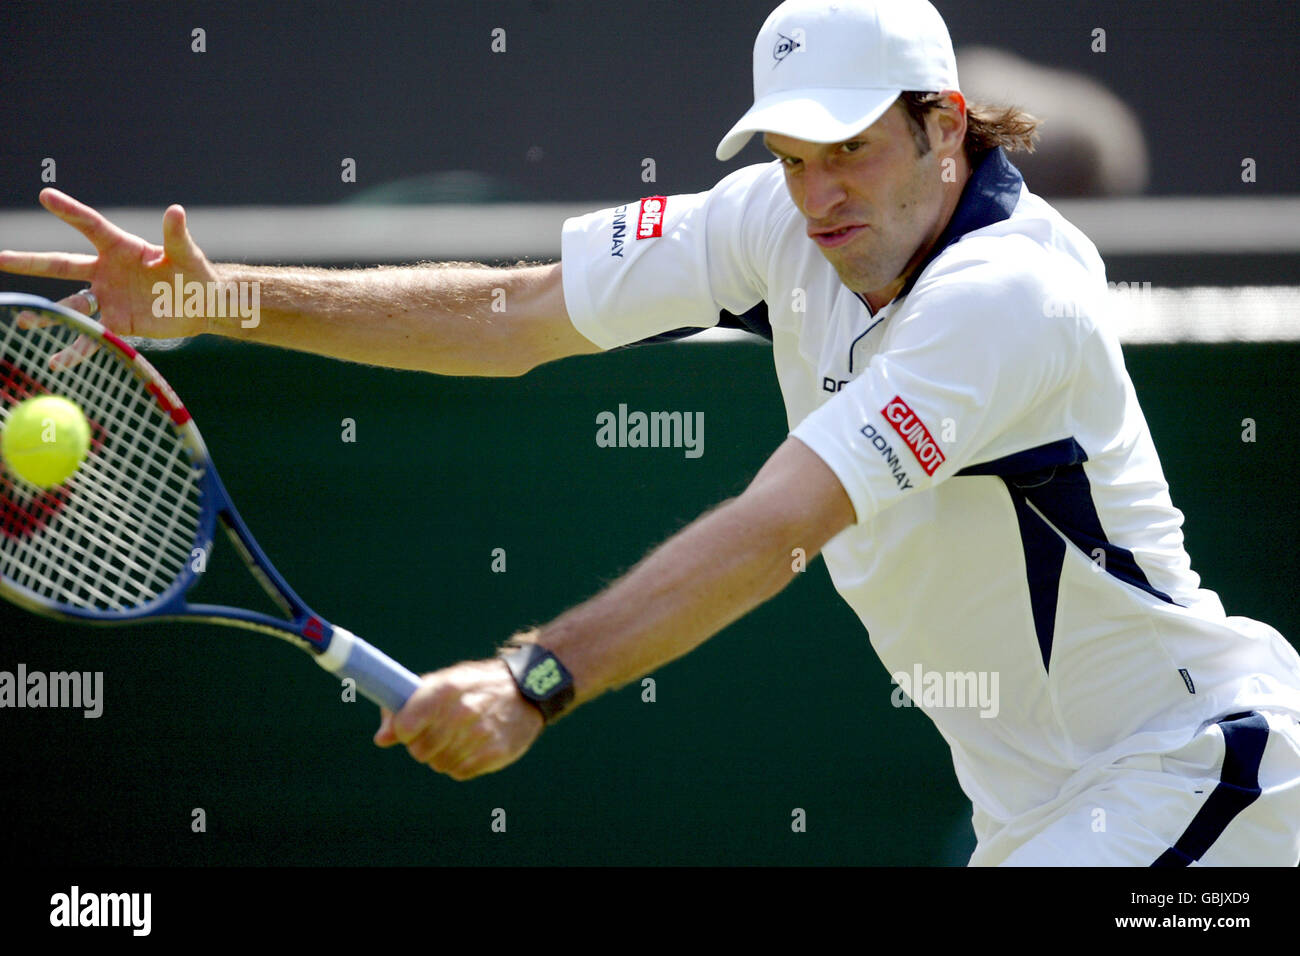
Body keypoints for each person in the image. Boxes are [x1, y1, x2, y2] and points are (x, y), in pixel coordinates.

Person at [2, 0, 1298, 867]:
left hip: (1197, 779)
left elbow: (774, 529)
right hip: (1047, 813)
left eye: (849, 147)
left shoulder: (1006, 295)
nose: (818, 191)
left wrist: (533, 681)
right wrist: (219, 297)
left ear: (942, 125)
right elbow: (514, 313)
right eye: (791, 154)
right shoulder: (778, 219)